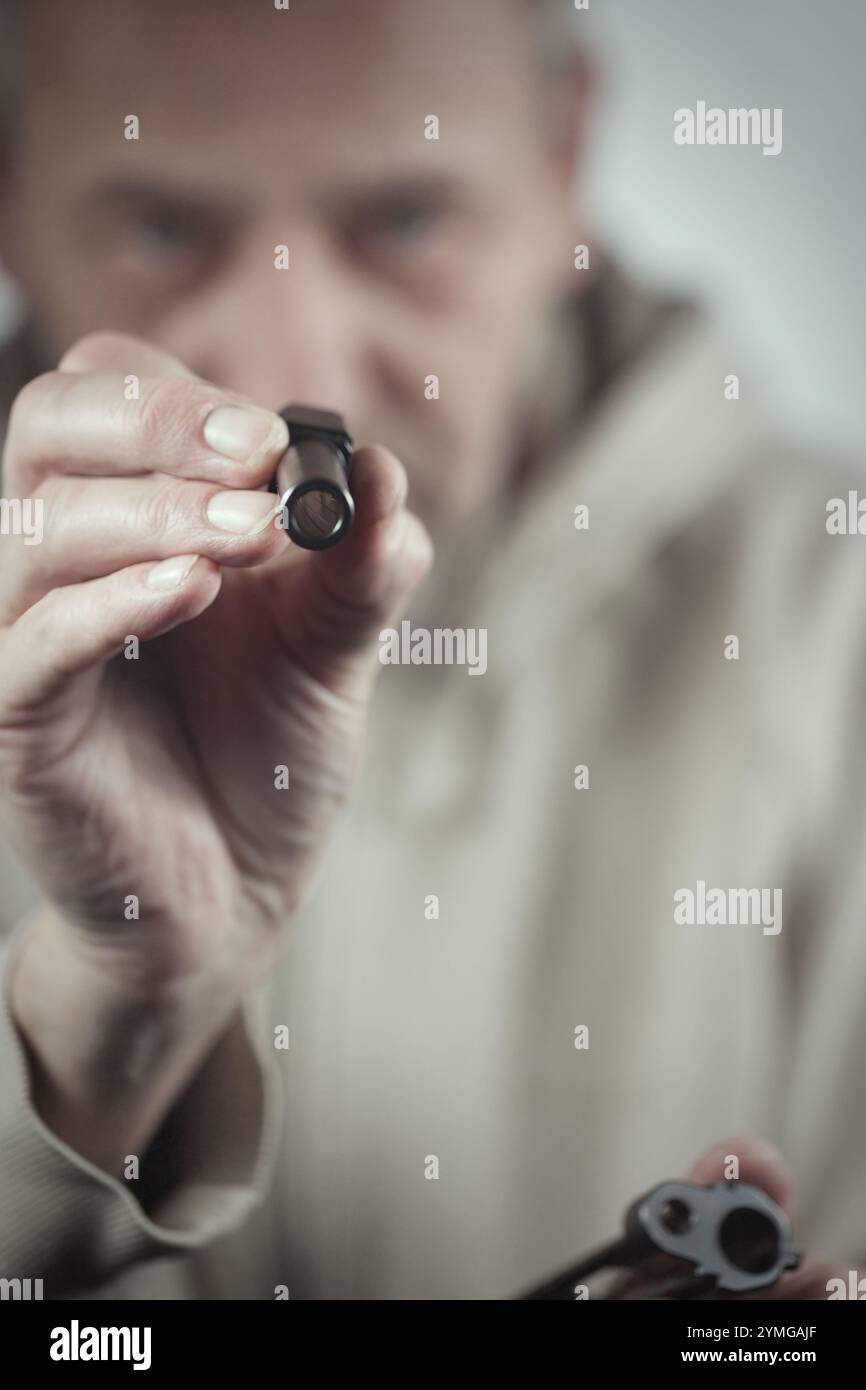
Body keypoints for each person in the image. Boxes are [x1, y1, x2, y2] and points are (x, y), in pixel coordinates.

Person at [0, 0, 864, 1301]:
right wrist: (105, 1019)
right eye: (164, 228)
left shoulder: (838, 622)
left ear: (564, 163)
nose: (297, 370)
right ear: (8, 194)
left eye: (404, 222)